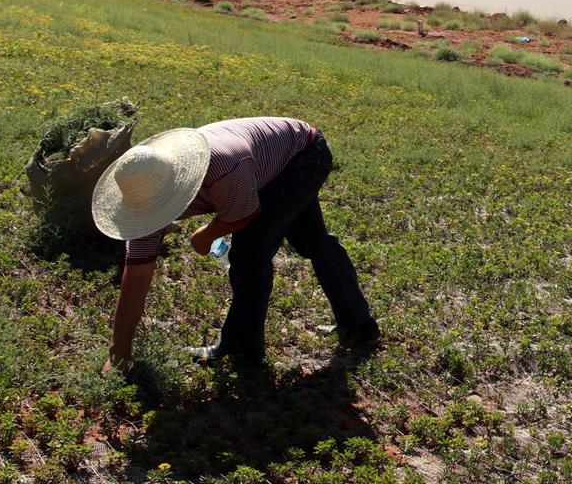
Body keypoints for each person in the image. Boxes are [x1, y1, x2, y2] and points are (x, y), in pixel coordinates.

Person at [92, 116, 379, 372]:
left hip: (302, 154)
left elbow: (244, 215)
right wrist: (119, 352)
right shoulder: (144, 197)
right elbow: (136, 277)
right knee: (312, 241)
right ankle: (359, 326)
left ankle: (240, 349)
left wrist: (206, 234)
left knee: (251, 254)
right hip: (260, 163)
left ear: (178, 184)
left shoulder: (222, 169)